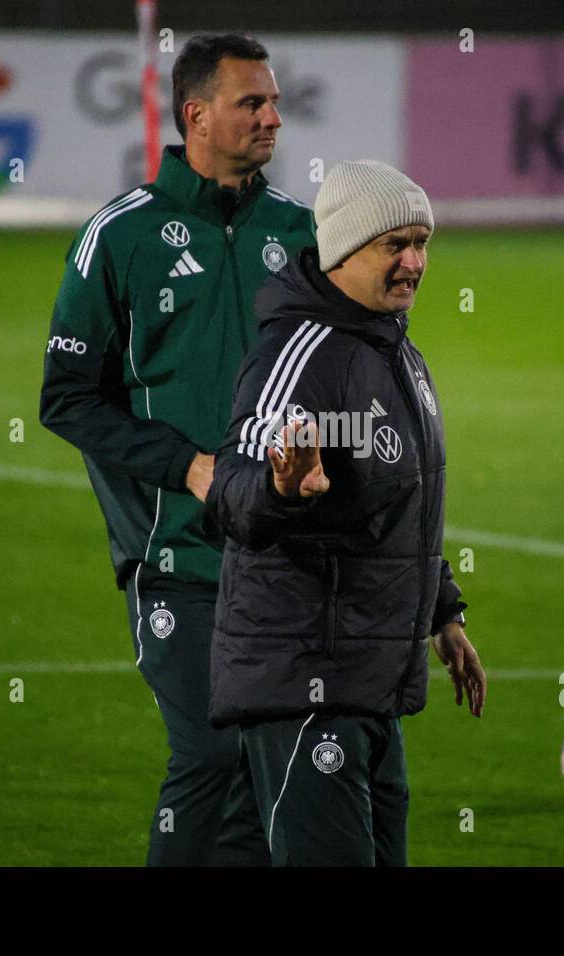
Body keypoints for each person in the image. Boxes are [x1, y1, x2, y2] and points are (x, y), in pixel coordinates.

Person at [39, 33, 316, 866]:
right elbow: (66, 400)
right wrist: (186, 467)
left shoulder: (302, 235)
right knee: (209, 753)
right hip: (177, 556)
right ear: (196, 115)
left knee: (267, 775)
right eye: (251, 103)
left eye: (273, 101)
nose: (273, 116)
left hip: (286, 558)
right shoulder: (118, 237)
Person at [206, 160, 487, 866]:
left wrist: (442, 613)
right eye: (395, 245)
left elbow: (398, 507)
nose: (416, 262)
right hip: (306, 680)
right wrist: (280, 489)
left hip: (367, 683)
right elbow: (232, 493)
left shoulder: (394, 349)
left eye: (422, 243)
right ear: (342, 249)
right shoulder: (299, 355)